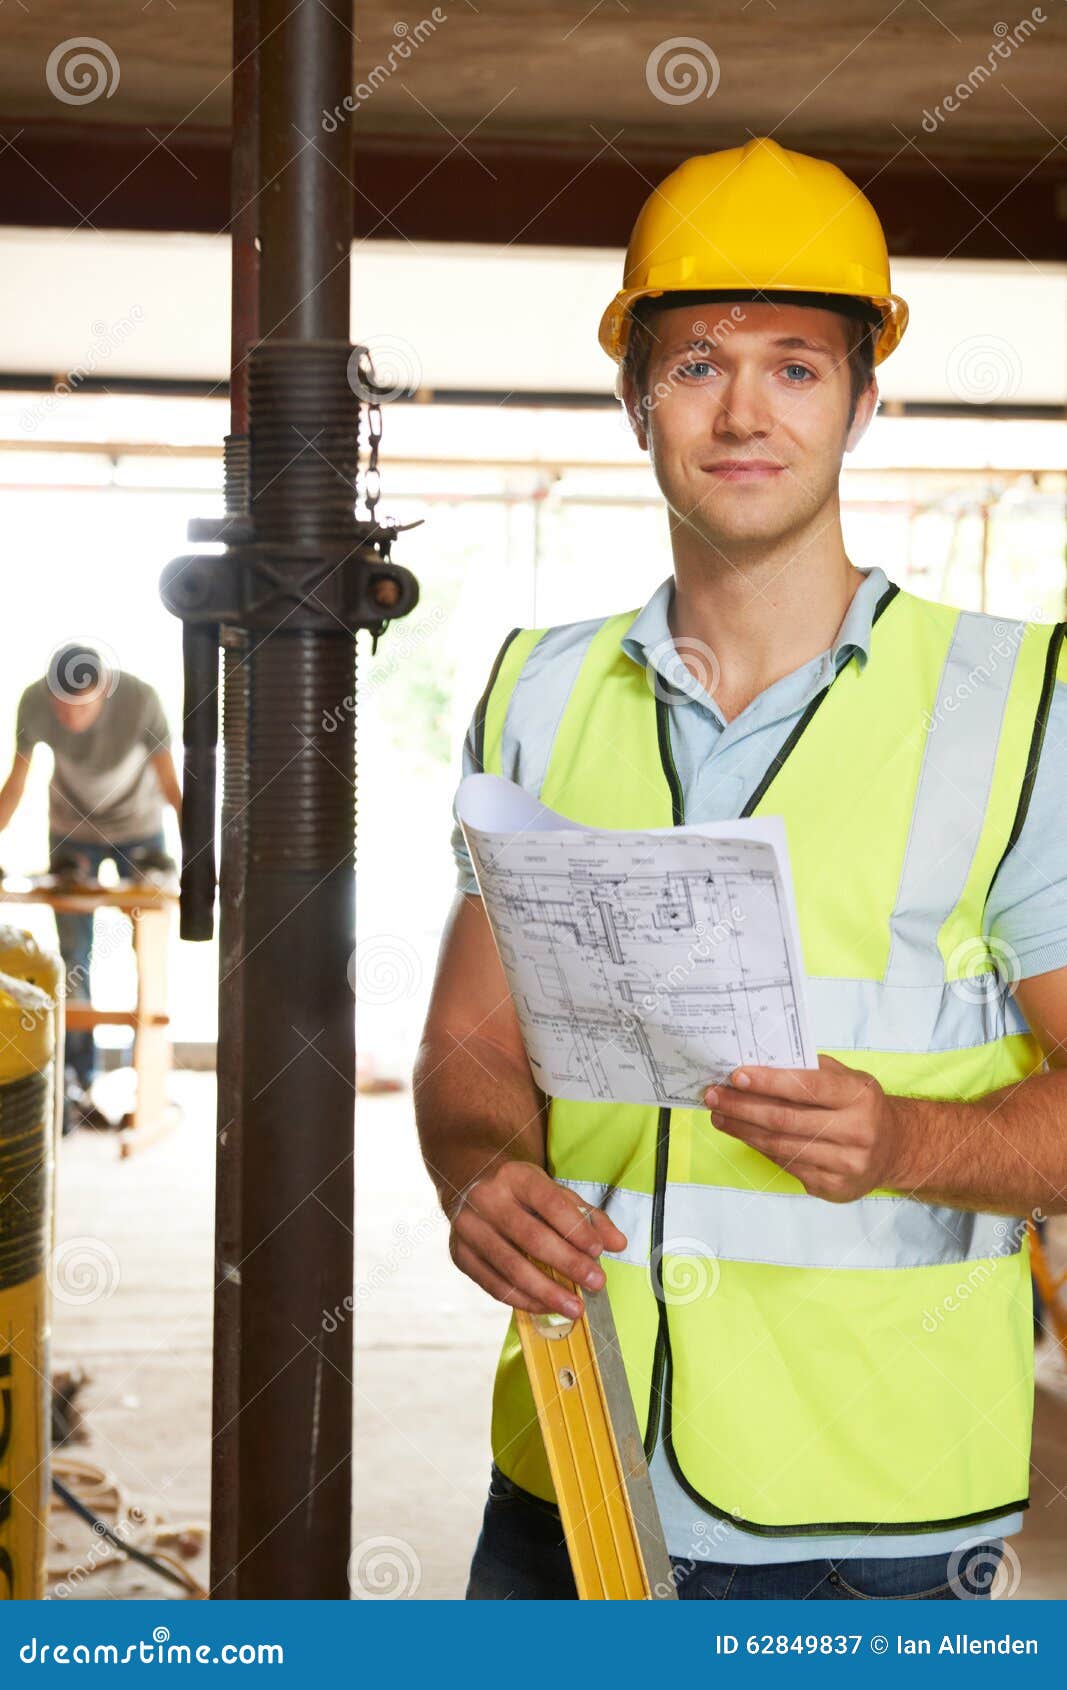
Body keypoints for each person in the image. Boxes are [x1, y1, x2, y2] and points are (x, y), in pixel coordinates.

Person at [414, 137, 1067, 1602]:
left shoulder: (1014, 704)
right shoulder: (535, 690)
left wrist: (905, 1141)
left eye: (795, 365)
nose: (743, 411)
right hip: (565, 1477)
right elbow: (468, 1039)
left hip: (865, 1528)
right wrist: (484, 1168)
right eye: (698, 361)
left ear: (861, 402)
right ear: (633, 396)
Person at [0, 642, 182, 1128]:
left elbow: (170, 782)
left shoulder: (140, 700)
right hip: (71, 828)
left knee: (146, 946)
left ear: (104, 690)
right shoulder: (34, 701)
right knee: (73, 953)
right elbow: (16, 785)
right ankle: (77, 1085)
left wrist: (202, 858)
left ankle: (147, 1091)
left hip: (138, 827)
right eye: (60, 703)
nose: (66, 715)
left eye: (79, 706)